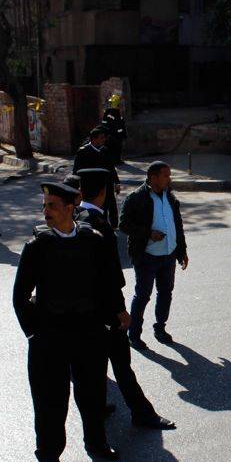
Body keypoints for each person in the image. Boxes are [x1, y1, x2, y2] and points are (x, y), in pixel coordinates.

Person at [12, 180, 119, 462]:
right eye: (45, 205)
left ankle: (97, 443)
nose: (46, 211)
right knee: (50, 399)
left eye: (53, 206)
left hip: (88, 331)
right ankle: (48, 456)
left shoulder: (92, 240)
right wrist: (35, 333)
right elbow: (20, 296)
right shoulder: (37, 246)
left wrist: (112, 316)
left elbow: (107, 282)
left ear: (70, 208)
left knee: (93, 393)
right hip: (51, 335)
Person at [74, 169, 176, 431]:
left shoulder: (78, 216)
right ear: (104, 193)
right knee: (120, 364)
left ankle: (105, 408)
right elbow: (108, 275)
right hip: (104, 311)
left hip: (87, 310)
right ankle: (140, 414)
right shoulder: (95, 224)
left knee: (100, 366)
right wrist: (120, 311)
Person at [118, 161, 188, 351]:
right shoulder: (136, 198)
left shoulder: (170, 197)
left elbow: (178, 226)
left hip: (168, 254)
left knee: (165, 293)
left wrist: (182, 251)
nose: (169, 178)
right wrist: (148, 233)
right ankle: (134, 334)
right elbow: (123, 224)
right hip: (146, 256)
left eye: (169, 175)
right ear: (153, 177)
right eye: (166, 175)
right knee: (143, 295)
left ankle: (160, 328)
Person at [73, 126, 121, 227]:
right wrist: (75, 186)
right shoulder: (83, 152)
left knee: (111, 204)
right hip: (91, 186)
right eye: (102, 138)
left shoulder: (105, 150)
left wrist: (117, 182)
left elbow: (111, 168)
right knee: (97, 206)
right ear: (94, 139)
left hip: (106, 184)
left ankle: (114, 225)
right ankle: (99, 224)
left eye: (104, 137)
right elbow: (76, 171)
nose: (104, 140)